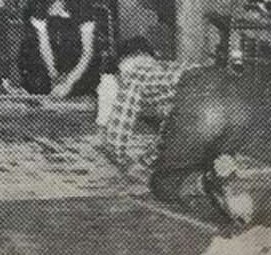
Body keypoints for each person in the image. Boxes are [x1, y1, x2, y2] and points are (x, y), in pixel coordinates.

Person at [101, 37, 259, 224]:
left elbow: (116, 133)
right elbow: (169, 133)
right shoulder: (174, 70)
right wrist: (145, 162)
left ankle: (208, 181)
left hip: (202, 101)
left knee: (162, 182)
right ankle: (224, 171)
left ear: (124, 62)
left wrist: (123, 162)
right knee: (210, 156)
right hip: (238, 100)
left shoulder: (133, 74)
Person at [18, 0, 102, 98]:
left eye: (57, 3)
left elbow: (87, 53)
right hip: (55, 62)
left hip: (79, 64)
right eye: (49, 4)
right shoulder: (40, 10)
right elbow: (45, 48)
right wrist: (54, 77)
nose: (53, 9)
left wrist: (69, 83)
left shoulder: (84, 13)